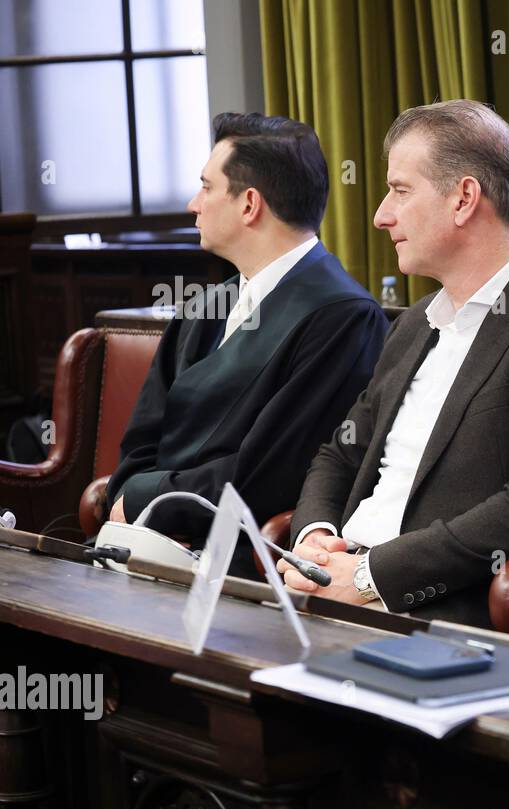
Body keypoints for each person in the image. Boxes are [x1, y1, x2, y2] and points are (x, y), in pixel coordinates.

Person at [281, 101, 509, 628]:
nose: (381, 215)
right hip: (336, 590)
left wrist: (368, 578)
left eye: (400, 190)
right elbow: (340, 454)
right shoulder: (413, 323)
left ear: (464, 198)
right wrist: (313, 539)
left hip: (442, 609)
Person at [108, 113, 387, 576]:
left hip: (240, 559)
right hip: (140, 538)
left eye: (206, 187)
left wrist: (147, 500)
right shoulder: (203, 306)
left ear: (249, 204)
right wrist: (127, 500)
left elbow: (276, 472)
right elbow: (142, 438)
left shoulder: (344, 317)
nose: (193, 203)